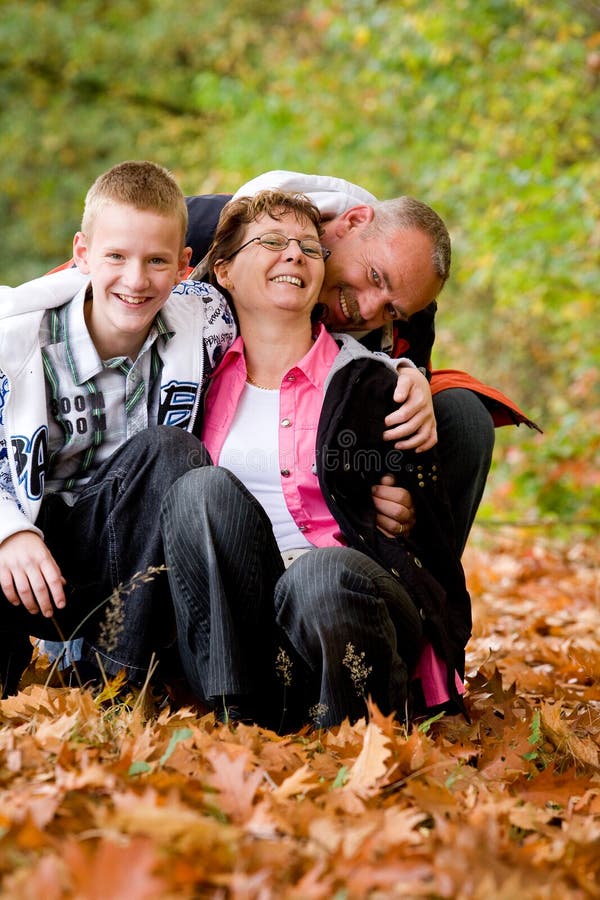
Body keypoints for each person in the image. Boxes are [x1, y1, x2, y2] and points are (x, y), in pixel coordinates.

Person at [159, 189, 471, 729]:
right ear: (225, 272)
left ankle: (355, 737)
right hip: (249, 622)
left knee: (321, 576)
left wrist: (404, 513)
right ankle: (237, 719)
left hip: (342, 607)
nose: (295, 256)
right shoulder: (192, 372)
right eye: (275, 243)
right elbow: (114, 273)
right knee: (198, 488)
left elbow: (433, 550)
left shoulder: (373, 383)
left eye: (307, 248)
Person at [183, 171, 540, 556]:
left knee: (463, 415)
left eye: (390, 310)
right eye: (374, 276)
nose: (367, 309)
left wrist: (395, 494)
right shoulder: (204, 230)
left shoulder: (413, 310)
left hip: (325, 500)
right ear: (353, 222)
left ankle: (414, 599)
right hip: (201, 437)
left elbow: (385, 432)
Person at [0, 160, 236, 697]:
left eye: (156, 261)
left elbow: (294, 314)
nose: (136, 280)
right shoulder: (15, 336)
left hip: (122, 560)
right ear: (81, 254)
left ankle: (117, 684)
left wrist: (403, 373)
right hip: (21, 555)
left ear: (183, 265)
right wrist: (7, 530)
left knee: (171, 449)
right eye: (116, 257)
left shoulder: (206, 323)